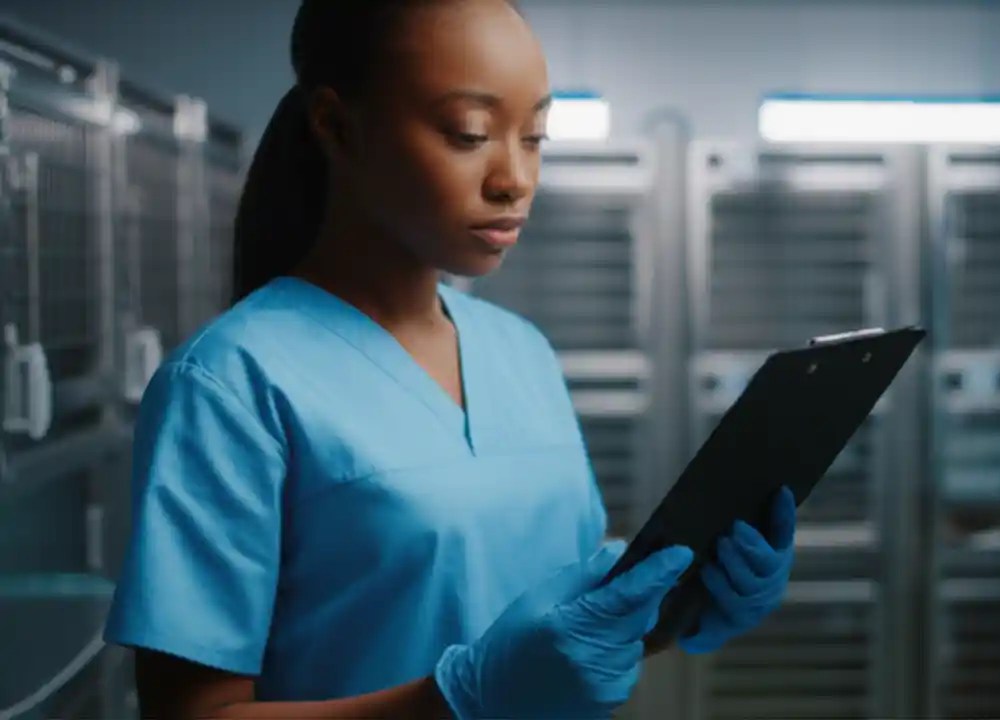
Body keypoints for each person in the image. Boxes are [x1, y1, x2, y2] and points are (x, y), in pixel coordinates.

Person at [103, 0, 798, 717]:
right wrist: (456, 698)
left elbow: (553, 645)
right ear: (338, 127)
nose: (514, 179)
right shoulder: (231, 383)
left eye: (534, 137)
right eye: (469, 134)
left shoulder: (519, 350)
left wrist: (680, 607)